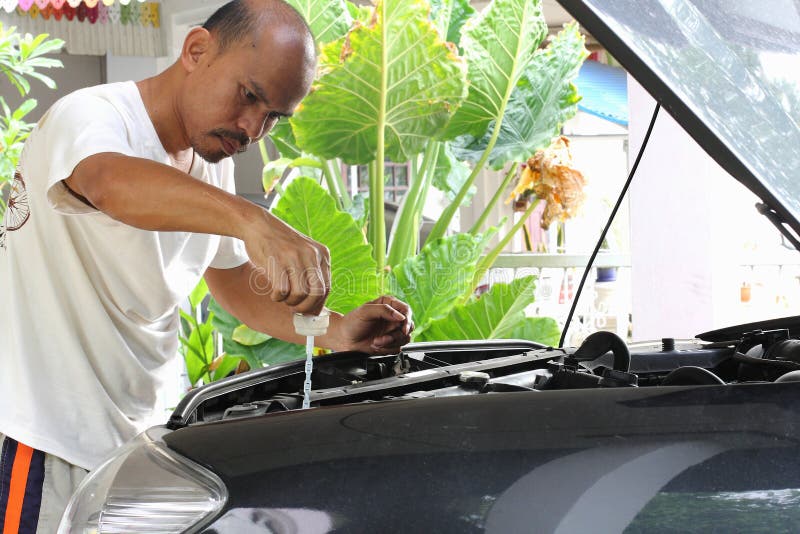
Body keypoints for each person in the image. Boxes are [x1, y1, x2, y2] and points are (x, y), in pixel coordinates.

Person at [0, 0, 413, 531]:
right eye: (250, 97)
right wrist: (254, 221)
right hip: (48, 439)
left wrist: (335, 329)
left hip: (140, 444)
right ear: (197, 49)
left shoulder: (208, 160)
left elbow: (235, 285)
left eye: (273, 117)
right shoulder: (93, 117)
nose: (253, 130)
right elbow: (108, 183)